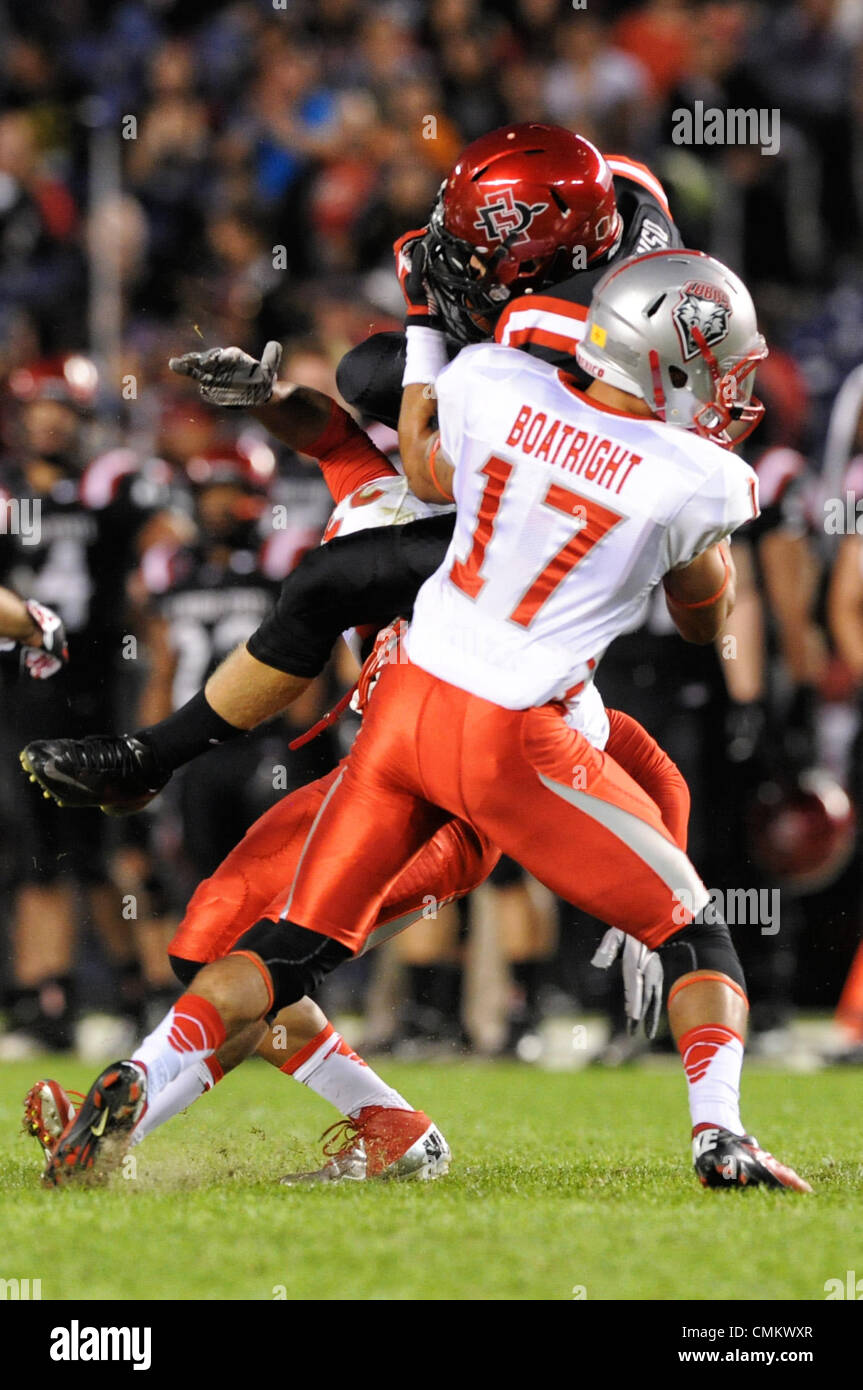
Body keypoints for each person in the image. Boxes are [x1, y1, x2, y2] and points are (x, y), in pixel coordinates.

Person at [44, 249, 811, 1192]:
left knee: (273, 947)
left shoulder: (489, 398)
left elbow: (399, 448)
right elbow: (344, 447)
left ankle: (148, 1082)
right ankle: (700, 1133)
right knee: (218, 933)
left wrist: (419, 340)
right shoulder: (680, 476)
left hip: (419, 732)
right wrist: (279, 396)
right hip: (491, 735)